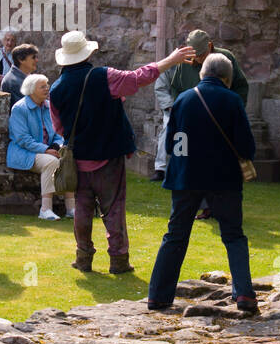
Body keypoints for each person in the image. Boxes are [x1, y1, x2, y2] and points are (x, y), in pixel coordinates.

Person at [49, 30, 195, 274]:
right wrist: (171, 60)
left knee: (82, 209)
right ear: (87, 53)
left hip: (78, 158)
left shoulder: (56, 88)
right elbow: (140, 77)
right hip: (109, 155)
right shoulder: (104, 76)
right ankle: (118, 260)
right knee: (113, 208)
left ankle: (83, 257)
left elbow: (59, 127)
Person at [147, 53, 259, 314]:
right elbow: (246, 145)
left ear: (202, 74)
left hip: (186, 177)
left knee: (175, 235)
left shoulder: (184, 99)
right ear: (227, 77)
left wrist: (189, 160)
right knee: (233, 236)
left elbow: (174, 142)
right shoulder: (232, 100)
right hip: (224, 178)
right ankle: (244, 294)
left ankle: (158, 296)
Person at [151, 29, 249, 184]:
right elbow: (175, 87)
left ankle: (216, 179)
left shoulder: (225, 58)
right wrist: (179, 111)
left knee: (214, 159)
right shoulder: (185, 60)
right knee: (177, 142)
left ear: (210, 46)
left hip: (218, 116)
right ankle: (170, 170)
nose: (197, 59)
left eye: (201, 55)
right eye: (195, 55)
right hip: (189, 116)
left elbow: (241, 86)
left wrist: (236, 111)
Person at [7, 73, 76, 221]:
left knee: (68, 159)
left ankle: (71, 208)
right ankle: (45, 209)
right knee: (51, 162)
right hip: (24, 152)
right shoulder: (19, 108)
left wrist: (58, 146)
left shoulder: (49, 106)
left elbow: (58, 131)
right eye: (42, 86)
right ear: (31, 89)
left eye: (47, 85)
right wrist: (45, 150)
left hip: (49, 150)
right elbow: (22, 139)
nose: (47, 89)